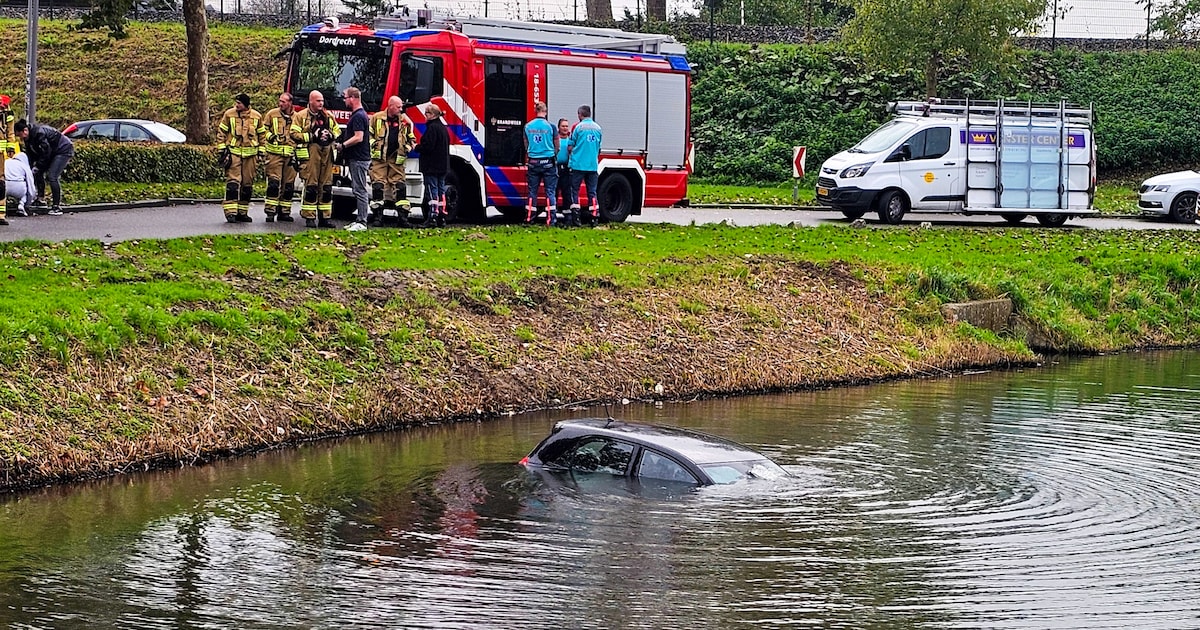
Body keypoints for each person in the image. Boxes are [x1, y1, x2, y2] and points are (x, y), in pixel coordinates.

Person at [290, 90, 340, 228]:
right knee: (311, 186)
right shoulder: (301, 116)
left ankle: (325, 218)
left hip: (327, 152)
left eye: (322, 101)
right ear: (311, 101)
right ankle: (310, 217)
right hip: (310, 151)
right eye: (318, 101)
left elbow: (337, 130)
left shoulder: (328, 115)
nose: (321, 103)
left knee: (326, 186)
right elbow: (293, 133)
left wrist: (331, 135)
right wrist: (312, 136)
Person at [215, 93, 267, 223]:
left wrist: (261, 151)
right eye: (236, 103)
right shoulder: (229, 114)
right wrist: (222, 149)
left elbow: (262, 136)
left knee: (247, 185)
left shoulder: (256, 116)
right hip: (234, 154)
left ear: (246, 105)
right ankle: (230, 212)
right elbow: (221, 132)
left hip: (251, 156)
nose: (236, 105)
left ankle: (243, 212)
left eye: (239, 103)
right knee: (233, 183)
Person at [368, 95, 416, 227]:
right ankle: (378, 217)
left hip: (397, 159)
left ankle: (403, 218)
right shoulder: (377, 118)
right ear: (390, 106)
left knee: (400, 186)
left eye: (401, 107)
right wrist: (373, 145)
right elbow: (369, 134)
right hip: (379, 159)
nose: (401, 110)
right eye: (398, 107)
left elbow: (411, 138)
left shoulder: (405, 120)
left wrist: (407, 147)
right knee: (378, 186)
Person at [14, 119, 74, 216]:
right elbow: (31, 155)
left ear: (25, 131)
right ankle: (40, 199)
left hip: (63, 150)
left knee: (52, 176)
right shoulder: (28, 138)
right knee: (38, 173)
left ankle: (56, 206)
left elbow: (46, 152)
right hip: (52, 152)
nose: (20, 138)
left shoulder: (39, 133)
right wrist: (29, 169)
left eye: (19, 135)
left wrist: (37, 166)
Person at [335, 86, 372, 232]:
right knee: (357, 188)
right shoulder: (360, 115)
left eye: (345, 97)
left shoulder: (358, 116)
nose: (344, 100)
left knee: (360, 189)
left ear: (352, 98)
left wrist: (343, 145)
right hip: (357, 157)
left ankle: (362, 221)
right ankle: (359, 220)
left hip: (358, 158)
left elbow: (358, 137)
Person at [261, 92, 298, 222]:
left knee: (288, 185)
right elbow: (262, 130)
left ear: (290, 103)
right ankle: (270, 211)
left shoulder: (297, 117)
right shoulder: (272, 114)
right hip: (274, 155)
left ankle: (284, 212)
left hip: (290, 156)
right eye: (280, 101)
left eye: (283, 101)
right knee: (273, 183)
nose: (280, 103)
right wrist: (270, 136)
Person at [523, 101, 559, 227]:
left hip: (533, 161)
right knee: (550, 191)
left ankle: (529, 218)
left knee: (532, 191)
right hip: (548, 162)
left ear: (535, 111)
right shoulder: (551, 127)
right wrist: (553, 154)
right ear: (546, 111)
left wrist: (531, 153)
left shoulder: (528, 126)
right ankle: (551, 220)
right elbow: (557, 145)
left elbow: (526, 144)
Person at [567, 105, 603, 226]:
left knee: (575, 191)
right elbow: (598, 147)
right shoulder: (598, 128)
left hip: (578, 165)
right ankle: (594, 218)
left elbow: (571, 145)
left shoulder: (578, 128)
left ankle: (576, 218)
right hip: (592, 166)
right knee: (592, 192)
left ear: (580, 115)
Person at [416, 103, 450, 228]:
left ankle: (432, 217)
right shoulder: (443, 128)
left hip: (431, 166)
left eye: (427, 113)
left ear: (432, 115)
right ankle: (442, 216)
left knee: (432, 191)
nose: (425, 115)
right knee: (441, 191)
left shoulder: (432, 128)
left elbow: (428, 146)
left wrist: (416, 147)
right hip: (443, 166)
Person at [3, 152, 35, 225]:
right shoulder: (24, 166)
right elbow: (30, 185)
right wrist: (28, 202)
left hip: (5, 183)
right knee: (25, 192)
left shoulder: (6, 161)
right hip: (19, 186)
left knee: (2, 195)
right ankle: (21, 205)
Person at [554, 117, 573, 224]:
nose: (565, 128)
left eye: (566, 126)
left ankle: (568, 218)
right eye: (563, 126)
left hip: (567, 169)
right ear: (559, 127)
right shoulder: (555, 139)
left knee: (567, 194)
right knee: (554, 193)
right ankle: (554, 217)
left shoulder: (570, 140)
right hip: (556, 169)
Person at [0, 95, 16, 209]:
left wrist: (11, 147)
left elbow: (10, 131)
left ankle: (1, 213)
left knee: (1, 183)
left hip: (0, 154)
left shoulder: (7, 111)